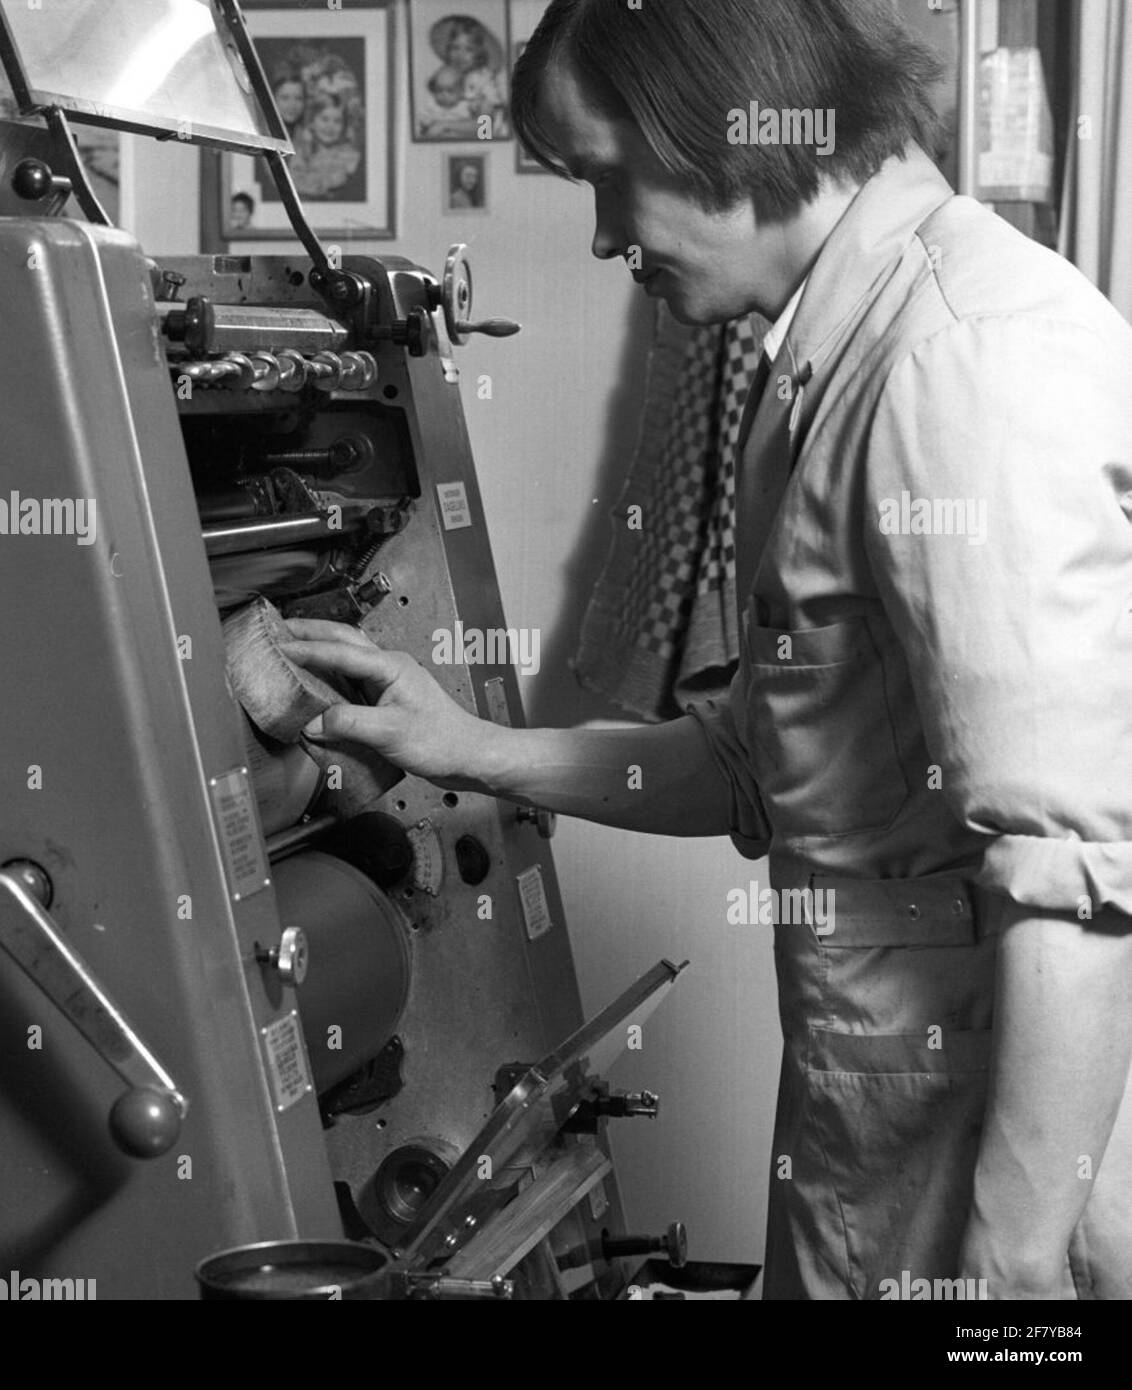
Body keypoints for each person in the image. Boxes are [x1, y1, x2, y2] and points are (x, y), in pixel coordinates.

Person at [280, 0, 1132, 1300]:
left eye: (608, 176)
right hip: (878, 1154)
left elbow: (1075, 881)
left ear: (720, 125)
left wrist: (1014, 1262)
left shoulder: (960, 363)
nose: (609, 231)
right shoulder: (826, 368)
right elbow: (761, 764)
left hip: (984, 1222)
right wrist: (459, 744)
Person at [292, 93, 362, 201]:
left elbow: (342, 181)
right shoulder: (302, 152)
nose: (330, 126)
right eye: (324, 119)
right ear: (312, 122)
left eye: (337, 121)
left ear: (344, 126)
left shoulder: (349, 156)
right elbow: (295, 182)